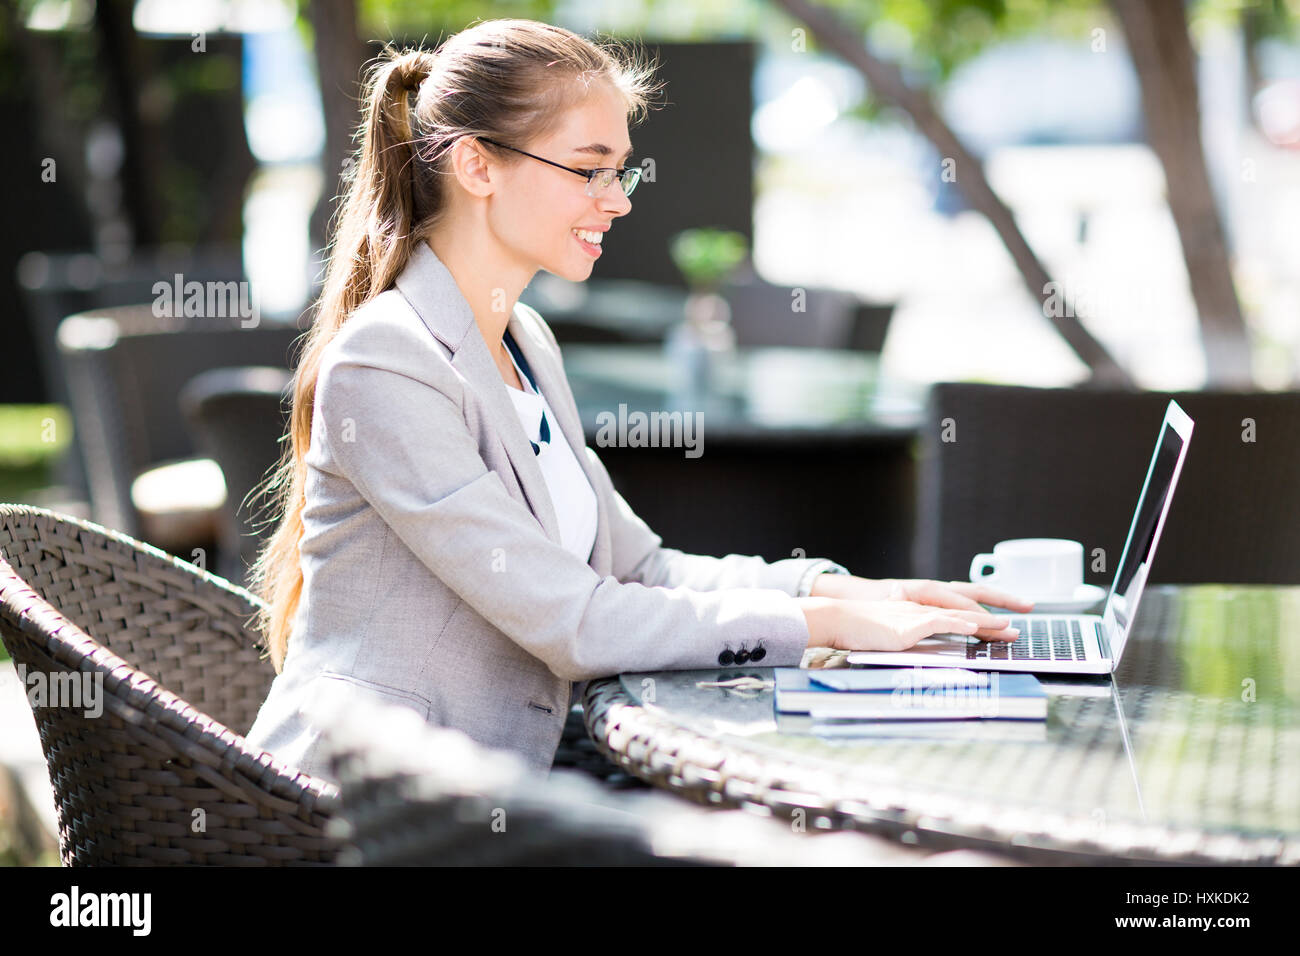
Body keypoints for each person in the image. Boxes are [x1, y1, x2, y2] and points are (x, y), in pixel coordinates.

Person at [243, 18, 1032, 783]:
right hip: (354, 811)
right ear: (478, 166)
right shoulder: (388, 362)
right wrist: (819, 628)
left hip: (499, 786)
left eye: (618, 170)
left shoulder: (526, 341)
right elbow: (576, 622)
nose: (617, 200)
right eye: (589, 169)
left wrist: (846, 590)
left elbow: (642, 569)